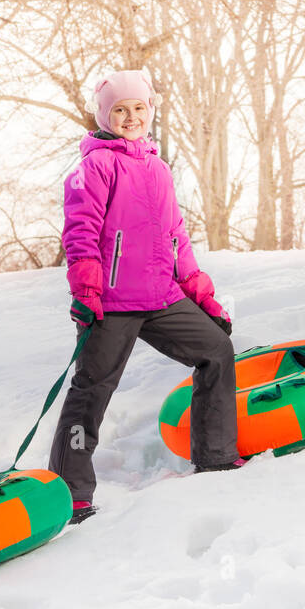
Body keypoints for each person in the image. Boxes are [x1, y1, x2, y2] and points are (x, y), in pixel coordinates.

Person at [51, 70, 242, 523]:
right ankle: (71, 491)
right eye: (120, 109)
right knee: (92, 389)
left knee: (216, 350)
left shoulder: (158, 168)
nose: (130, 117)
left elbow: (177, 236)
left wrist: (202, 294)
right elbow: (80, 235)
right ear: (105, 115)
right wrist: (87, 290)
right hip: (111, 302)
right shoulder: (93, 167)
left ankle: (215, 454)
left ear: (150, 111)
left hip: (161, 297)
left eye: (138, 108)